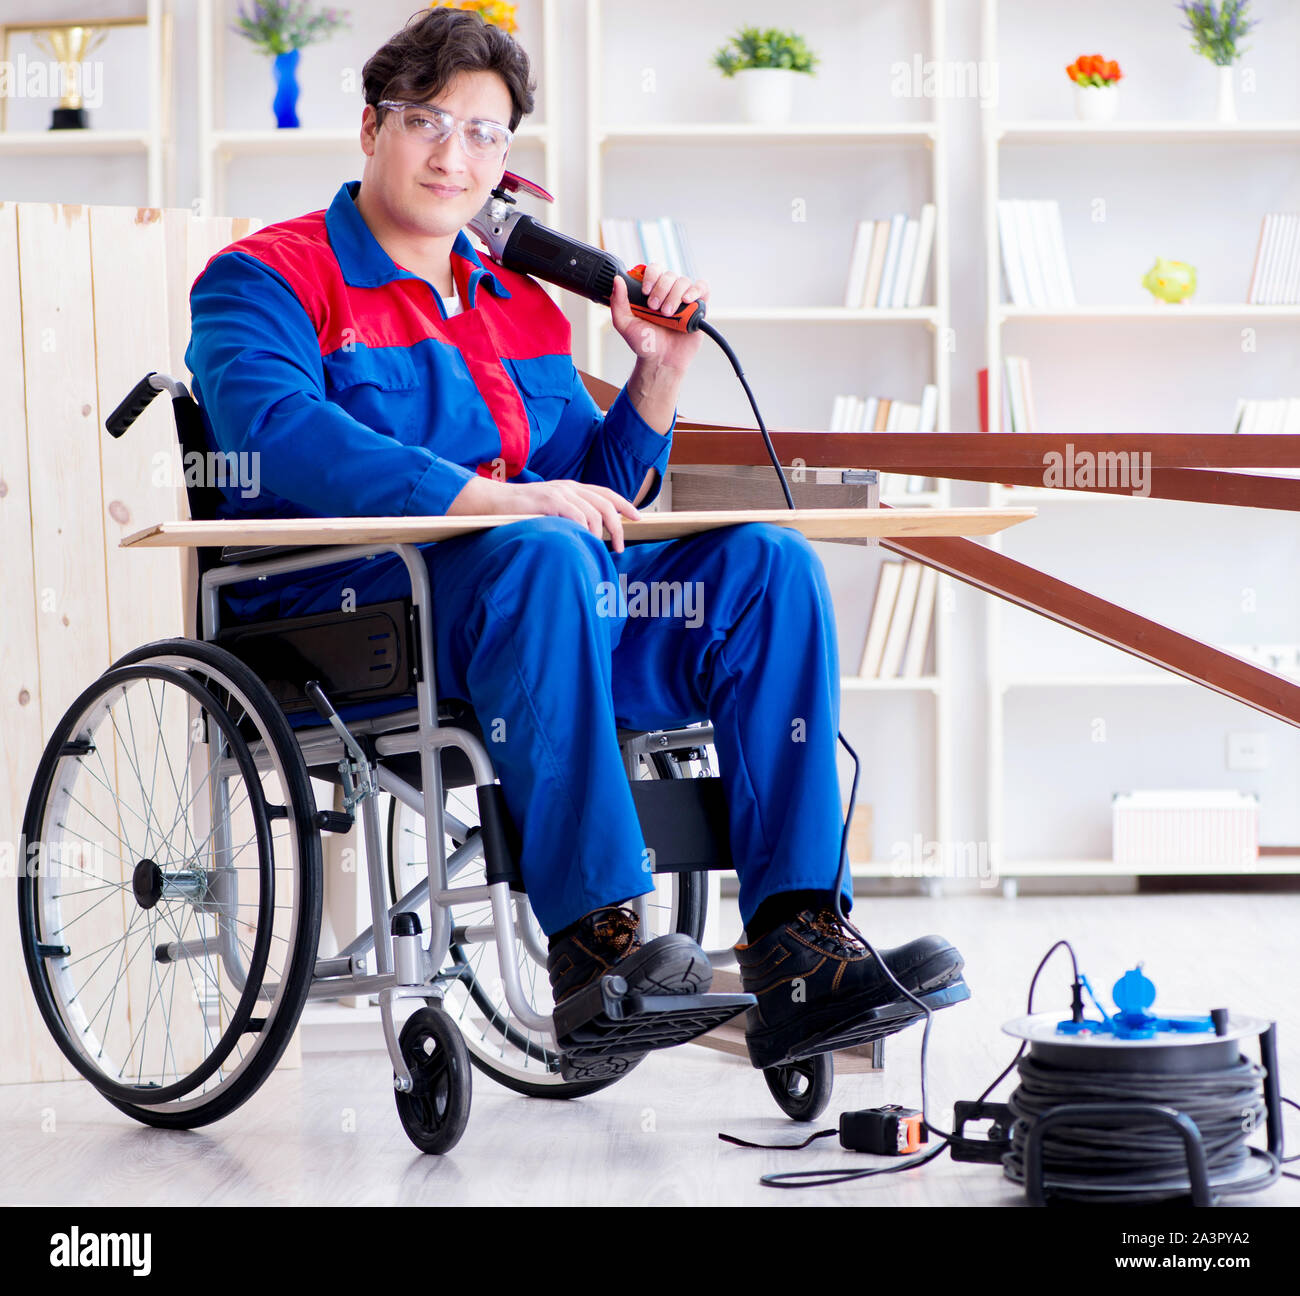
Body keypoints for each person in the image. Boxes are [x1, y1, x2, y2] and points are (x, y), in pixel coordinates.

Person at [185, 7, 964, 1071]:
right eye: (428, 123)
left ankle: (798, 948)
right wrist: (494, 501)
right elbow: (275, 437)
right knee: (543, 554)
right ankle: (597, 953)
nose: (456, 156)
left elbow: (591, 501)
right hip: (350, 622)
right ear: (371, 128)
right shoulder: (264, 276)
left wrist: (655, 376)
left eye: (486, 134)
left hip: (534, 616)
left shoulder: (517, 307)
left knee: (765, 567)